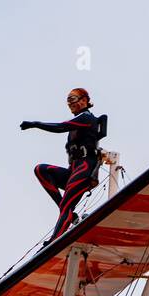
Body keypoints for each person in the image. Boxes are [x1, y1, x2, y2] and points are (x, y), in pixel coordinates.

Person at [21, 88, 104, 239]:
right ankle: (69, 214)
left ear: (84, 100)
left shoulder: (86, 118)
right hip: (73, 169)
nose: (69, 103)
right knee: (41, 170)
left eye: (72, 99)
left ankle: (54, 240)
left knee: (67, 205)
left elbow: (60, 127)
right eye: (68, 100)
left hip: (85, 169)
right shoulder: (78, 122)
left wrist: (35, 124)